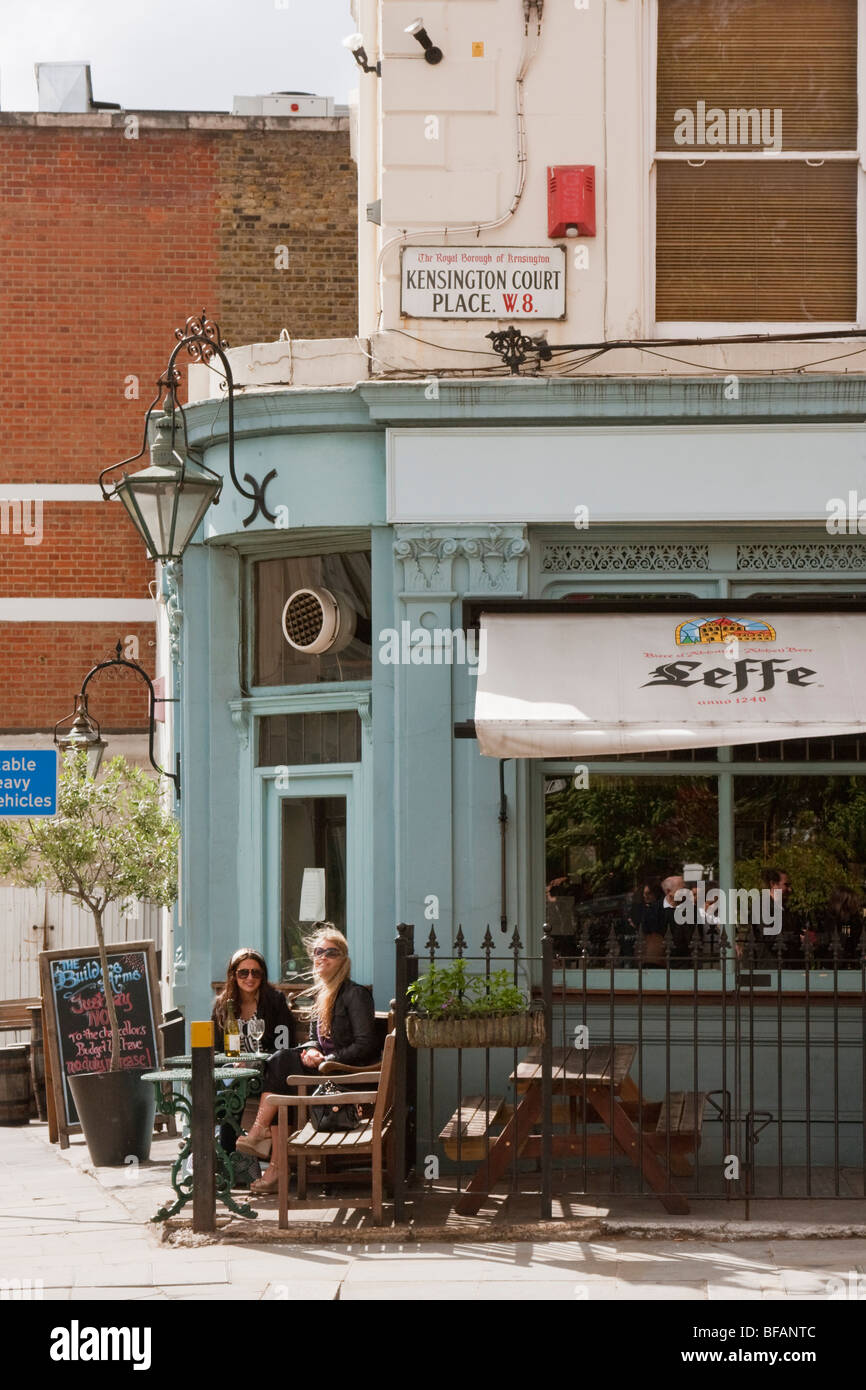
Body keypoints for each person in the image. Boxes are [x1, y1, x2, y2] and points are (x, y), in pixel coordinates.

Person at [236, 923, 378, 1195]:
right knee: (282, 1075)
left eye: (331, 952)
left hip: (346, 1077)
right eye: (318, 951)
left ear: (343, 960)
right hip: (324, 1073)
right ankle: (272, 1160)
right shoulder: (322, 994)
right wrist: (312, 1050)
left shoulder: (355, 994)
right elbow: (315, 1036)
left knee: (280, 1063)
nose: (322, 956)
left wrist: (329, 1059)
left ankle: (262, 1141)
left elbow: (365, 1044)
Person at [211, 949, 293, 1170]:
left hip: (267, 1074)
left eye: (255, 973)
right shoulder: (223, 1005)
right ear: (233, 975)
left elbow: (284, 1046)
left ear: (263, 976)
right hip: (234, 1071)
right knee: (227, 1086)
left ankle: (229, 1160)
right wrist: (234, 1062)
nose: (249, 978)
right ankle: (229, 1159)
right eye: (243, 973)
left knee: (231, 1089)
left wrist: (254, 1061)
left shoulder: (274, 1001)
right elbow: (217, 1050)